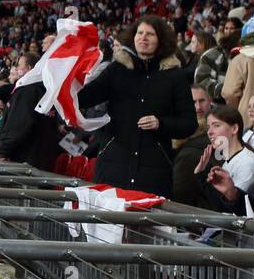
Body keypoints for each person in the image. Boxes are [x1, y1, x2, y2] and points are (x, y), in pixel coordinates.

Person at [75, 15, 197, 197]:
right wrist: (65, 79)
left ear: (161, 40)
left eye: (150, 34)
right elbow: (85, 97)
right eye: (140, 33)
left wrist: (161, 124)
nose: (143, 37)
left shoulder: (175, 76)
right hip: (112, 166)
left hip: (153, 171)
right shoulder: (116, 70)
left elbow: (189, 124)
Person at [197, 105, 254, 215]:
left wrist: (201, 175)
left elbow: (228, 207)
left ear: (234, 129)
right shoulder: (228, 160)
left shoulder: (248, 163)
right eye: (208, 127)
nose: (209, 132)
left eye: (216, 126)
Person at [0, 52, 60, 170]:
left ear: (29, 68)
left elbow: (19, 126)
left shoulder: (27, 91)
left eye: (19, 65)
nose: (16, 69)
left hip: (24, 162)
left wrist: (3, 150)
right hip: (42, 160)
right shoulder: (45, 89)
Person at [172, 84, 212, 207]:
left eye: (202, 101)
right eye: (193, 102)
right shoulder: (174, 131)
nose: (198, 107)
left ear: (210, 101)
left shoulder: (217, 134)